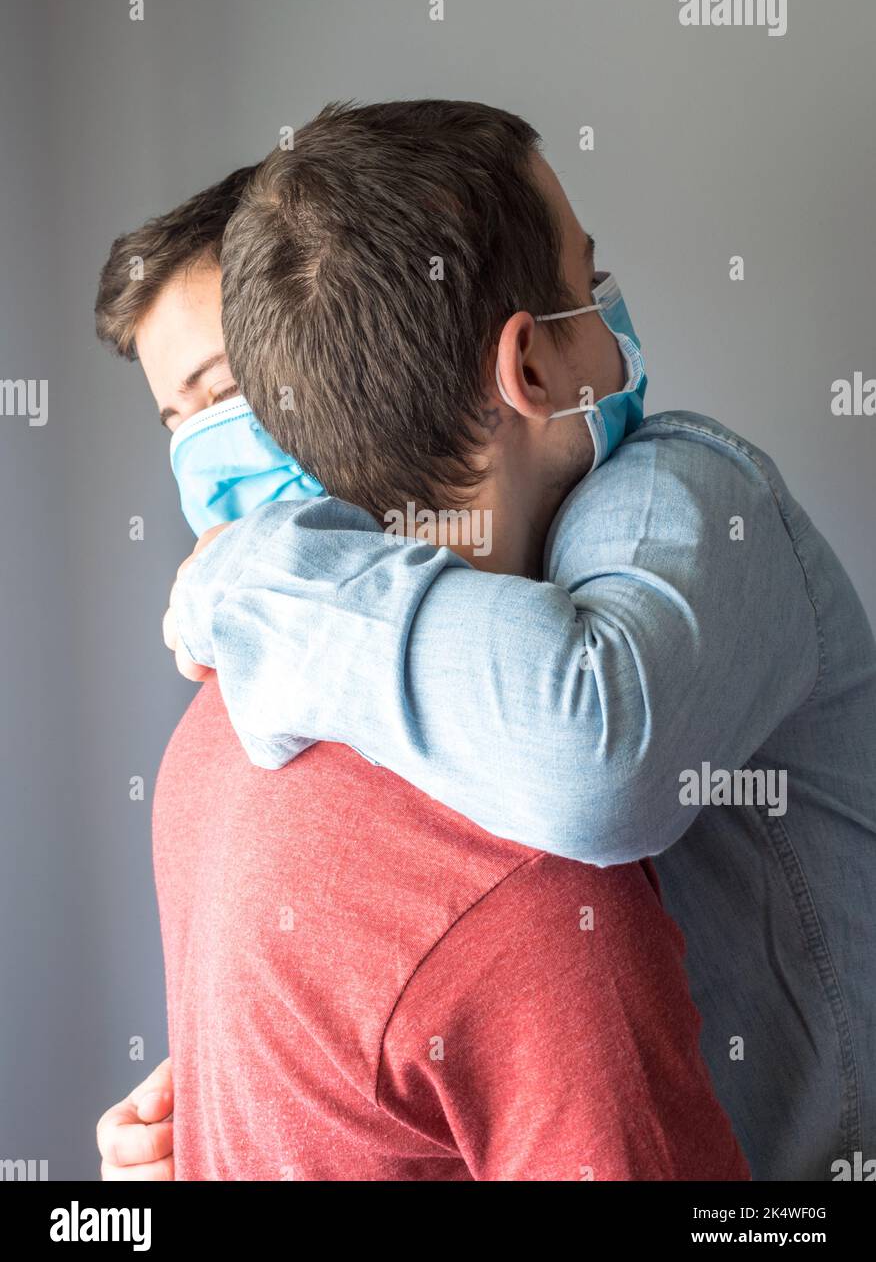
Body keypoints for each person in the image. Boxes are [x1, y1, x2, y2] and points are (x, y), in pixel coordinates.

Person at [166, 99, 876, 1182]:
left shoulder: (683, 497)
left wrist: (243, 578)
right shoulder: (327, 709)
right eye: (587, 287)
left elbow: (593, 753)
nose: (610, 307)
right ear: (531, 368)